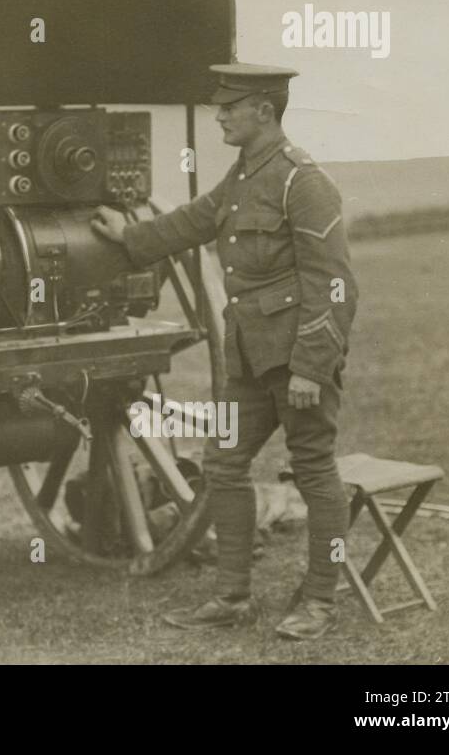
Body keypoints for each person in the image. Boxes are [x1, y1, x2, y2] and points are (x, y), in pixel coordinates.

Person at [92, 64, 358, 640]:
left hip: (296, 365)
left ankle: (319, 600)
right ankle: (231, 597)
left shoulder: (302, 182)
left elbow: (334, 286)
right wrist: (129, 237)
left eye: (230, 107)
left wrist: (312, 368)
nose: (219, 116)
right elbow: (193, 222)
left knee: (314, 470)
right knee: (224, 464)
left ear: (264, 111)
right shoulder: (243, 176)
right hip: (249, 361)